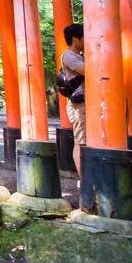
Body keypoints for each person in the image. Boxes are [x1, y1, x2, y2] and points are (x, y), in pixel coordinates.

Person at [59, 23, 86, 175]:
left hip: (85, 104)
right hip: (78, 106)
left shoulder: (79, 56)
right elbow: (88, 71)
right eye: (84, 38)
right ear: (76, 39)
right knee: (81, 141)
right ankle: (84, 179)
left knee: (86, 140)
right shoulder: (69, 56)